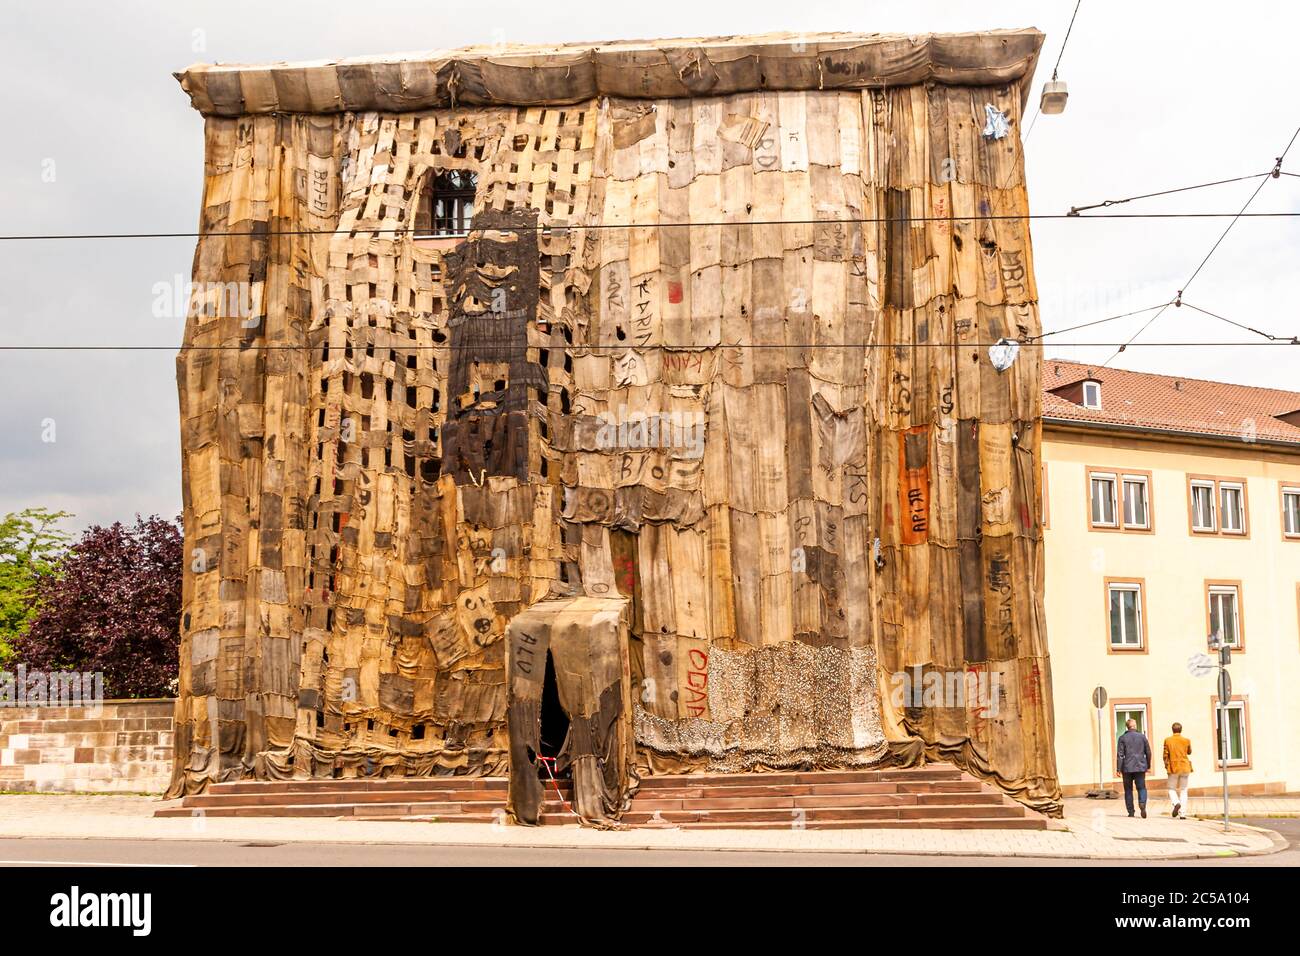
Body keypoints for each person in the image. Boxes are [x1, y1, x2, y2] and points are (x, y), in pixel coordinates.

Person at [1116, 718, 1152, 818]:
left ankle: (1131, 812)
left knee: (1128, 790)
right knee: (1141, 787)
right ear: (1135, 726)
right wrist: (1148, 765)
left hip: (1126, 768)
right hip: (1140, 766)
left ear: (1127, 727)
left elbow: (1120, 755)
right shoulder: (1142, 737)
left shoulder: (1122, 738)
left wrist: (1118, 769)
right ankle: (1142, 803)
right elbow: (1148, 752)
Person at [1162, 722, 1193, 819]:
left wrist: (1166, 765)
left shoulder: (1167, 740)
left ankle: (1176, 803)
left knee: (1171, 789)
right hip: (1185, 767)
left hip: (1173, 767)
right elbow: (1189, 752)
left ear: (1172, 730)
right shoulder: (1186, 740)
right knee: (1184, 790)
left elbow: (1165, 755)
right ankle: (1183, 813)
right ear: (1181, 730)